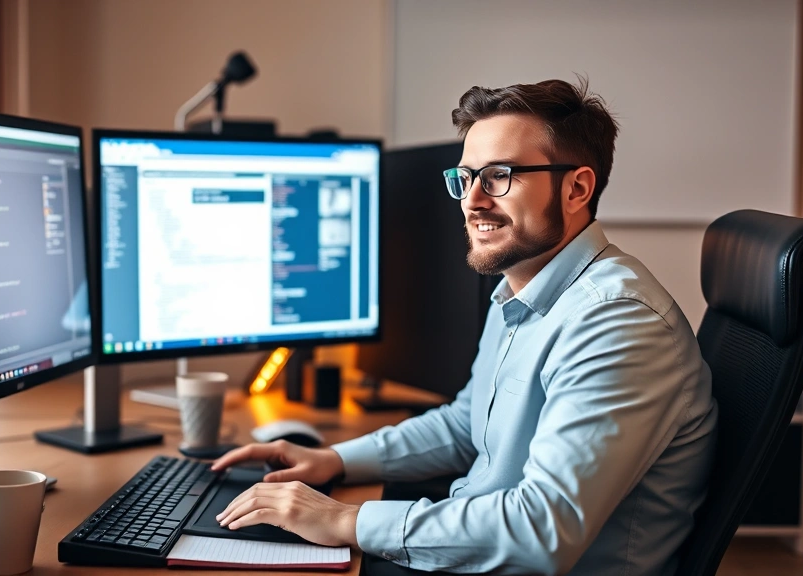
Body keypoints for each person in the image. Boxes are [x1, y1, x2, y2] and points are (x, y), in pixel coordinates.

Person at [211, 78, 717, 576]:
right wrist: (335, 461)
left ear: (577, 188)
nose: (472, 201)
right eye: (465, 177)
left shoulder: (616, 322)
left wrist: (344, 518)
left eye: (499, 176)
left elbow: (542, 532)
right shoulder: (519, 289)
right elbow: (465, 424)